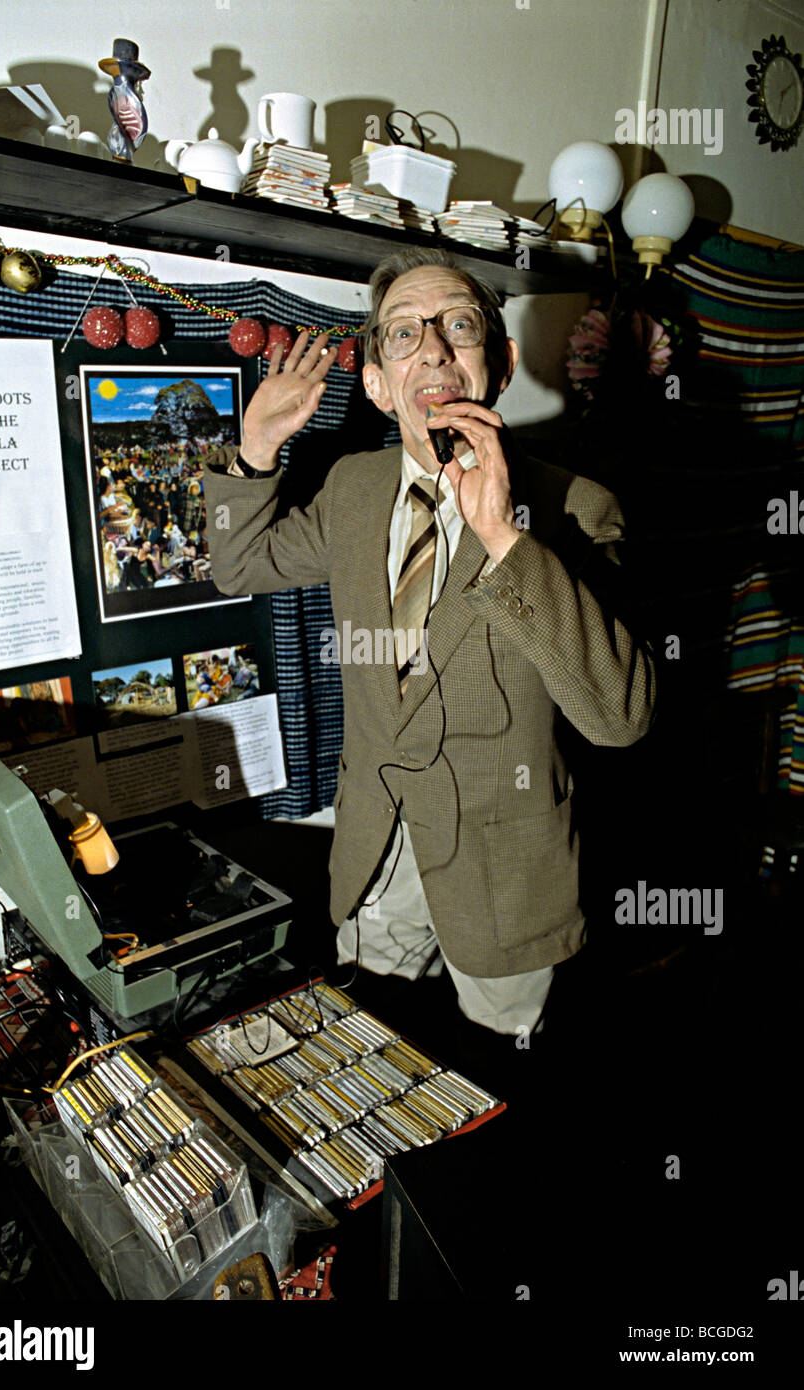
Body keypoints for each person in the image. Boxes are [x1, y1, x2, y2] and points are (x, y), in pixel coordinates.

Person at [204, 248, 655, 1036]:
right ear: (378, 384)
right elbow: (236, 564)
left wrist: (501, 538)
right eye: (403, 334)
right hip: (376, 853)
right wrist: (255, 450)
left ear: (501, 364)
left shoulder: (579, 508)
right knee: (376, 1047)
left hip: (506, 879)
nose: (435, 349)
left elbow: (619, 716)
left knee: (498, 1098)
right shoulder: (352, 487)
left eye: (459, 325)